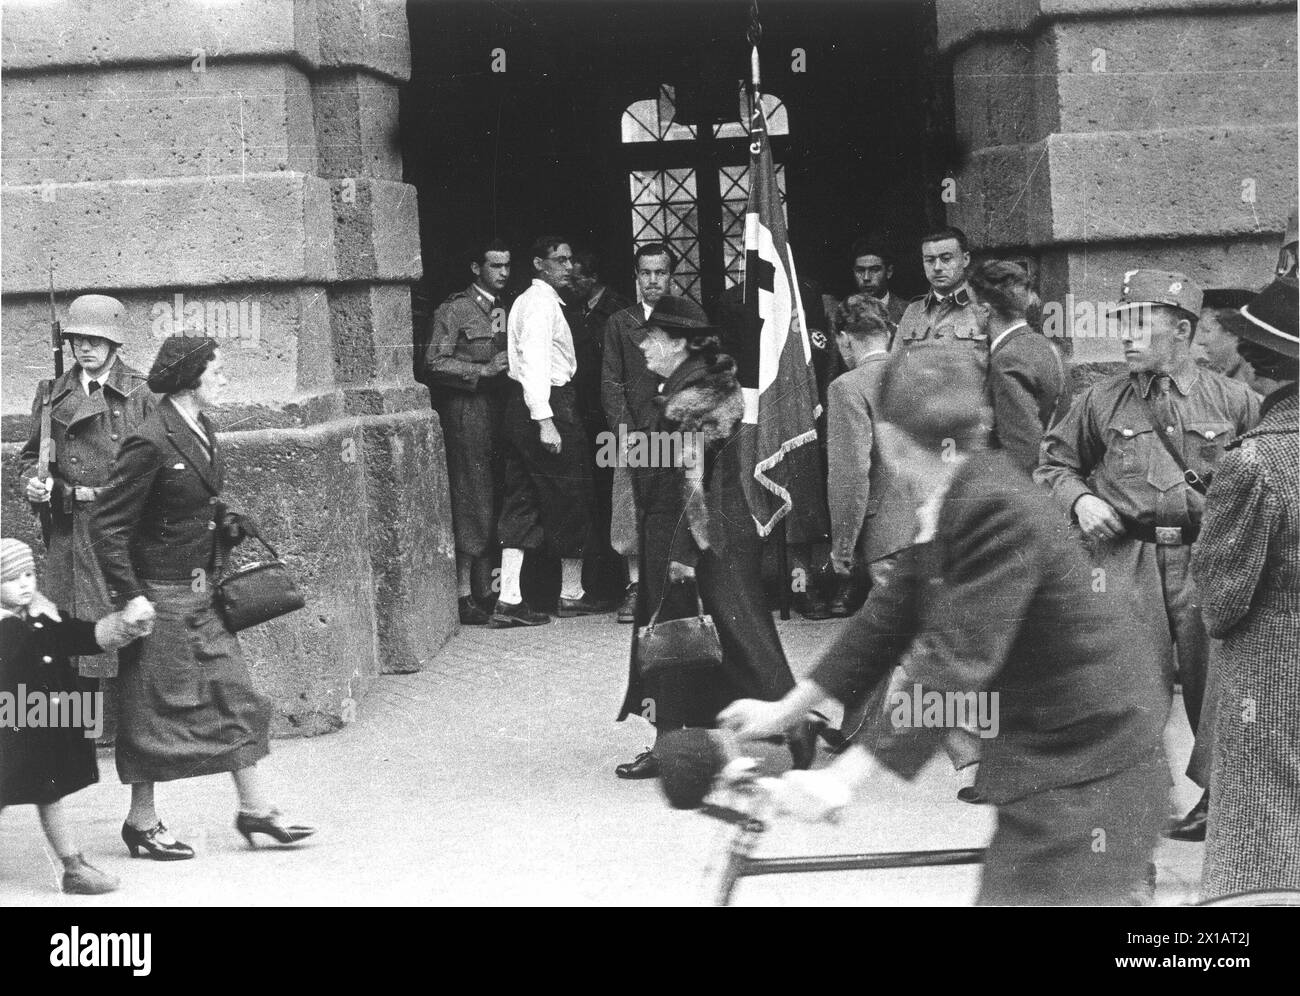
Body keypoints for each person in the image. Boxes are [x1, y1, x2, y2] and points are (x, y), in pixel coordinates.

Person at [721, 345, 1168, 905]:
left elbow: (955, 666)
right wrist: (785, 709)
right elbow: (886, 621)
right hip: (1056, 770)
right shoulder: (965, 489)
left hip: (1088, 781)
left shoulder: (996, 510)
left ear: (887, 439)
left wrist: (846, 776)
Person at [1035, 270, 1259, 842]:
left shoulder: (1232, 400)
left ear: (1181, 330)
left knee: (1220, 684)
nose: (1126, 337)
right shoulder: (1100, 399)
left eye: (1140, 324)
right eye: (1122, 323)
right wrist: (1081, 499)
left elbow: (1279, 470)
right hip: (1126, 557)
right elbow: (1053, 464)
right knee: (1127, 680)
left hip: (1206, 558)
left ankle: (1222, 799)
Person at [91, 336, 316, 859]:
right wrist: (130, 597)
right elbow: (108, 525)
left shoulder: (201, 428)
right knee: (155, 710)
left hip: (199, 589)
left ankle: (257, 812)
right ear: (191, 377)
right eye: (218, 370)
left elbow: (190, 505)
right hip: (160, 598)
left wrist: (225, 523)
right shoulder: (150, 439)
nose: (224, 378)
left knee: (233, 692)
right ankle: (141, 823)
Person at [614, 297, 811, 779]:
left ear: (679, 343)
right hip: (684, 534)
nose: (644, 346)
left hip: (697, 539)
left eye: (653, 338)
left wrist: (681, 558)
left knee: (723, 640)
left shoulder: (697, 397)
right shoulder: (687, 387)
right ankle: (675, 744)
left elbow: (693, 483)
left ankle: (796, 727)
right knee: (690, 642)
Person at [1191, 277, 1300, 899]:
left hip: (1267, 682)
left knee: (1263, 860)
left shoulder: (1252, 461)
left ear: (1260, 365)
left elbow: (1221, 601)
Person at [0, 538, 151, 894]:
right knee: (41, 792)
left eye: (28, 573)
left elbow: (81, 636)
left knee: (44, 790)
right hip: (12, 729)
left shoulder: (42, 616)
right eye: (10, 578)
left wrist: (122, 626)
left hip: (34, 730)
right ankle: (73, 866)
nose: (24, 584)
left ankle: (73, 866)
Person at [19, 294, 155, 680]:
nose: (85, 347)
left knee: (126, 629)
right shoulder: (52, 394)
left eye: (95, 340)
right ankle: (81, 733)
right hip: (69, 531)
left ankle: (121, 731)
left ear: (114, 344)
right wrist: (37, 484)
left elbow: (158, 465)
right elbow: (32, 458)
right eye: (78, 339)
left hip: (122, 530)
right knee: (71, 632)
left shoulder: (142, 393)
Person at [493, 235, 603, 627]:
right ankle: (571, 594)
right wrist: (545, 420)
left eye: (571, 259)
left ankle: (509, 599)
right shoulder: (540, 304)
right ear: (539, 264)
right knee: (571, 494)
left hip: (523, 407)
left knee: (520, 499)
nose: (569, 267)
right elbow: (536, 361)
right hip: (549, 404)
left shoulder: (527, 300)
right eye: (560, 259)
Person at [425, 239, 512, 624]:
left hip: (500, 411)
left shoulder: (505, 309)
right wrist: (481, 371)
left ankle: (488, 591)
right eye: (495, 266)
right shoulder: (455, 309)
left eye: (508, 266)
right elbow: (433, 362)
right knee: (471, 497)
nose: (504, 273)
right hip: (468, 411)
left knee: (495, 496)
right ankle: (464, 595)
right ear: (477, 268)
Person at [825, 305, 915, 618]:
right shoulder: (921, 374)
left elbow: (850, 476)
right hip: (935, 524)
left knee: (908, 645)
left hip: (888, 536)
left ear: (844, 340)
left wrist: (843, 547)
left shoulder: (846, 387)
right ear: (889, 334)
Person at [601, 243, 675, 622]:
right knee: (630, 509)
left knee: (675, 507)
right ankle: (635, 586)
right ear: (637, 276)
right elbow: (611, 381)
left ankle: (672, 588)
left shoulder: (690, 320)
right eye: (645, 273)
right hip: (636, 434)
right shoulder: (620, 323)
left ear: (670, 275)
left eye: (659, 273)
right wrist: (624, 430)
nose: (652, 280)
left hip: (676, 432)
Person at [568, 250, 632, 601]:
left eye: (576, 278)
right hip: (586, 418)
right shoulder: (574, 310)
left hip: (611, 419)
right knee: (591, 497)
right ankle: (600, 581)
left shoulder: (618, 311)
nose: (570, 283)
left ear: (592, 278)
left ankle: (619, 579)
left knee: (615, 496)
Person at [966, 260, 1070, 475]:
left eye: (972, 305)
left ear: (985, 311)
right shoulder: (1047, 346)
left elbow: (1022, 452)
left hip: (1025, 492)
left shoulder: (1007, 359)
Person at [895, 226, 985, 352]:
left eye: (946, 259)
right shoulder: (913, 311)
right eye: (930, 260)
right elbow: (896, 365)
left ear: (965, 259)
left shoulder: (984, 308)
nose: (937, 267)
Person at [831, 237, 906, 334]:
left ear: (889, 272)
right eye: (860, 270)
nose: (866, 277)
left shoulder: (908, 312)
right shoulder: (839, 313)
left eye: (874, 270)